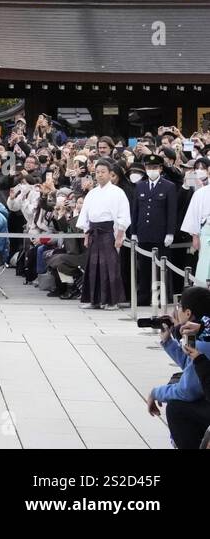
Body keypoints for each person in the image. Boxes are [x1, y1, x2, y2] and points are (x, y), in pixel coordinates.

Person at [145, 286, 210, 449]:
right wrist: (168, 342)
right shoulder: (202, 337)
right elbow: (193, 366)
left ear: (188, 313)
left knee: (176, 406)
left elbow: (187, 390)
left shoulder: (202, 344)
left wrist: (155, 392)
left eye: (179, 307)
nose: (176, 311)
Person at [77, 159, 130, 310]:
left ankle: (112, 301)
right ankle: (93, 300)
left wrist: (119, 235)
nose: (99, 175)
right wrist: (86, 235)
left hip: (109, 232)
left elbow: (123, 216)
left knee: (110, 266)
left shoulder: (118, 192)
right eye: (97, 172)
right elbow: (85, 216)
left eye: (103, 172)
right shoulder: (92, 193)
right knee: (93, 266)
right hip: (94, 231)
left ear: (110, 174)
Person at [131, 154, 180, 307]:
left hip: (161, 233)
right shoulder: (140, 185)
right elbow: (136, 210)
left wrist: (170, 232)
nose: (151, 170)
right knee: (144, 267)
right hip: (143, 232)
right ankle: (144, 296)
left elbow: (172, 211)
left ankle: (162, 296)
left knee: (162, 267)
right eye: (149, 167)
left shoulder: (168, 186)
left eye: (154, 167)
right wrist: (134, 231)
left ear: (160, 169)